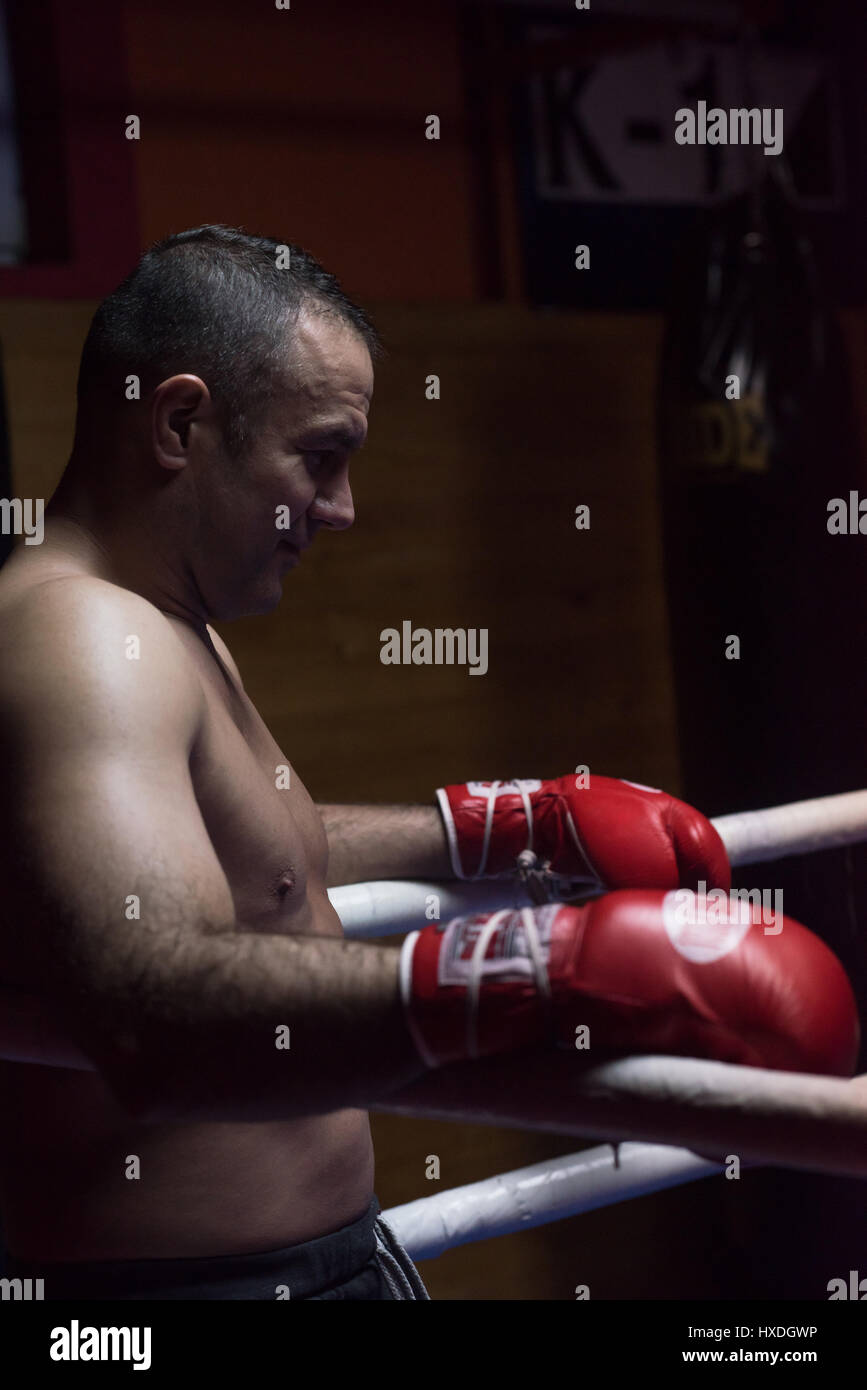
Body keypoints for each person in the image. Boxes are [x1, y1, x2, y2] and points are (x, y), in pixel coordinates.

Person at [0, 226, 847, 1301]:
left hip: (322, 1260)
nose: (342, 509)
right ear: (179, 421)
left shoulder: (162, 623)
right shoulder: (77, 642)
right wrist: (524, 970)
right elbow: (143, 1007)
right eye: (320, 455)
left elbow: (263, 858)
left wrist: (502, 823)